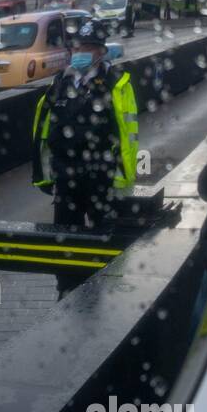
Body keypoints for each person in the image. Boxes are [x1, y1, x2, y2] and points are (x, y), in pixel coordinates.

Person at [31, 19, 139, 289]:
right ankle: (66, 287)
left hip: (100, 175)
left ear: (101, 52)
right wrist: (45, 175)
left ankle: (103, 286)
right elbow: (44, 131)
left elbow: (128, 133)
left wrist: (125, 176)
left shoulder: (116, 84)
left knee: (104, 236)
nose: (81, 52)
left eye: (89, 47)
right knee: (65, 239)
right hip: (66, 176)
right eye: (78, 46)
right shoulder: (60, 82)